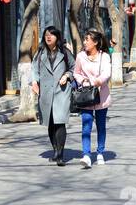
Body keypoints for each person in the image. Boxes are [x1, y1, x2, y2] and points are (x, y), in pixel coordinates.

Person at [32, 25, 74, 165]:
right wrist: (34, 81)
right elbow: (34, 70)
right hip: (45, 93)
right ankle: (55, 150)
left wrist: (67, 76)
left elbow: (74, 68)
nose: (48, 37)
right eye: (46, 35)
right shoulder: (40, 53)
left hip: (61, 91)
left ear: (57, 37)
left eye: (51, 34)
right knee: (50, 123)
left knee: (60, 122)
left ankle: (60, 154)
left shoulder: (65, 52)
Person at [73, 29, 112, 167]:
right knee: (86, 125)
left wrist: (98, 81)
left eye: (87, 40)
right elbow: (76, 73)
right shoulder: (80, 56)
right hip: (86, 96)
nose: (84, 42)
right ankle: (86, 155)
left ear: (95, 42)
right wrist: (83, 80)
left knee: (101, 126)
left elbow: (107, 72)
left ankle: (100, 152)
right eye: (84, 39)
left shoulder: (105, 56)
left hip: (101, 96)